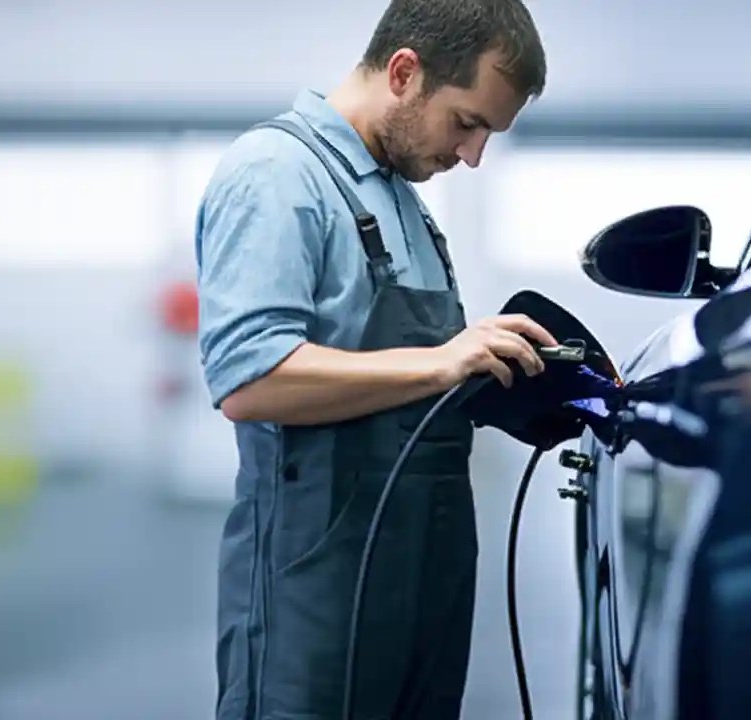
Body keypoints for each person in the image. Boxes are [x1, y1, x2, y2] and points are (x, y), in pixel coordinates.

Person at [195, 1, 555, 718]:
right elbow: (248, 378)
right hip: (316, 582)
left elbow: (414, 371)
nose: (474, 155)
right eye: (468, 122)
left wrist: (496, 371)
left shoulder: (403, 202)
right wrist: (441, 365)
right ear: (403, 72)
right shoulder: (278, 175)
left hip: (422, 572)